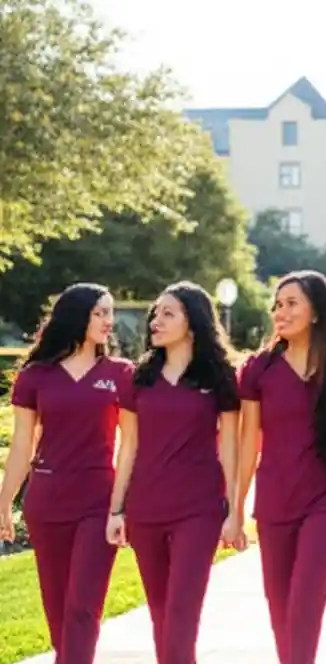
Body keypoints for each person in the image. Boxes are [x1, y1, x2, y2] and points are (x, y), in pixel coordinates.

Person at [105, 281, 243, 664]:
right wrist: (117, 510)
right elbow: (128, 446)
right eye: (155, 312)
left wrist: (234, 510)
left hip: (198, 510)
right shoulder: (138, 379)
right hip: (146, 509)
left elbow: (230, 446)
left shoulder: (220, 378)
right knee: (161, 615)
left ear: (193, 322)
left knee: (182, 615)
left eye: (168, 313)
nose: (156, 320)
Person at [235, 270, 326, 664]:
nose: (281, 312)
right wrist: (235, 509)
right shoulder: (259, 369)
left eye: (292, 303)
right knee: (280, 612)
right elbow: (247, 444)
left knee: (304, 602)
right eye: (277, 305)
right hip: (275, 501)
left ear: (316, 311)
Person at [0, 283, 133, 663]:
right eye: (100, 313)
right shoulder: (35, 377)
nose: (110, 321)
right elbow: (23, 446)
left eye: (111, 312)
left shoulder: (121, 375)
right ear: (78, 316)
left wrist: (122, 506)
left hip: (98, 503)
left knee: (82, 607)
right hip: (47, 502)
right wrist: (4, 503)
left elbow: (130, 448)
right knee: (58, 611)